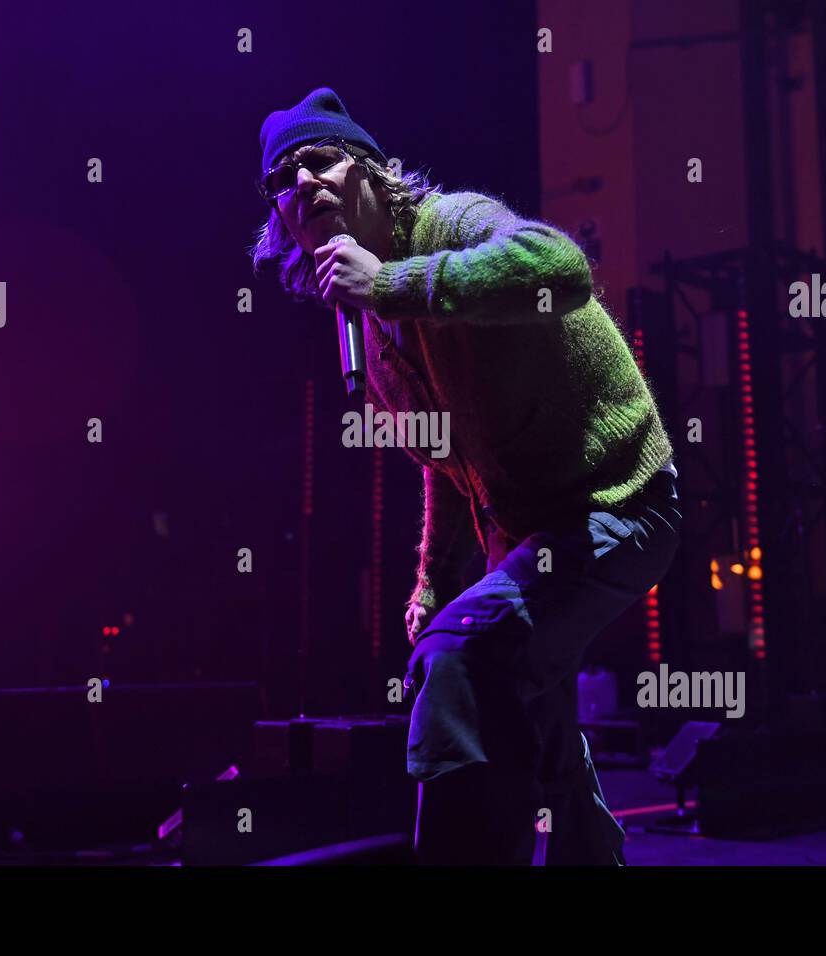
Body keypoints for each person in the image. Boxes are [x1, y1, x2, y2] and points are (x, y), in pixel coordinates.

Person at [252, 88, 681, 865]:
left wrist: (387, 284)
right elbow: (450, 465)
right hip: (532, 539)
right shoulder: (377, 346)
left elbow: (563, 269)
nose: (301, 184)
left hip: (620, 503)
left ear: (375, 175)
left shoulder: (450, 224)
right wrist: (430, 582)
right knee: (530, 707)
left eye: (321, 161)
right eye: (282, 181)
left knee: (458, 659)